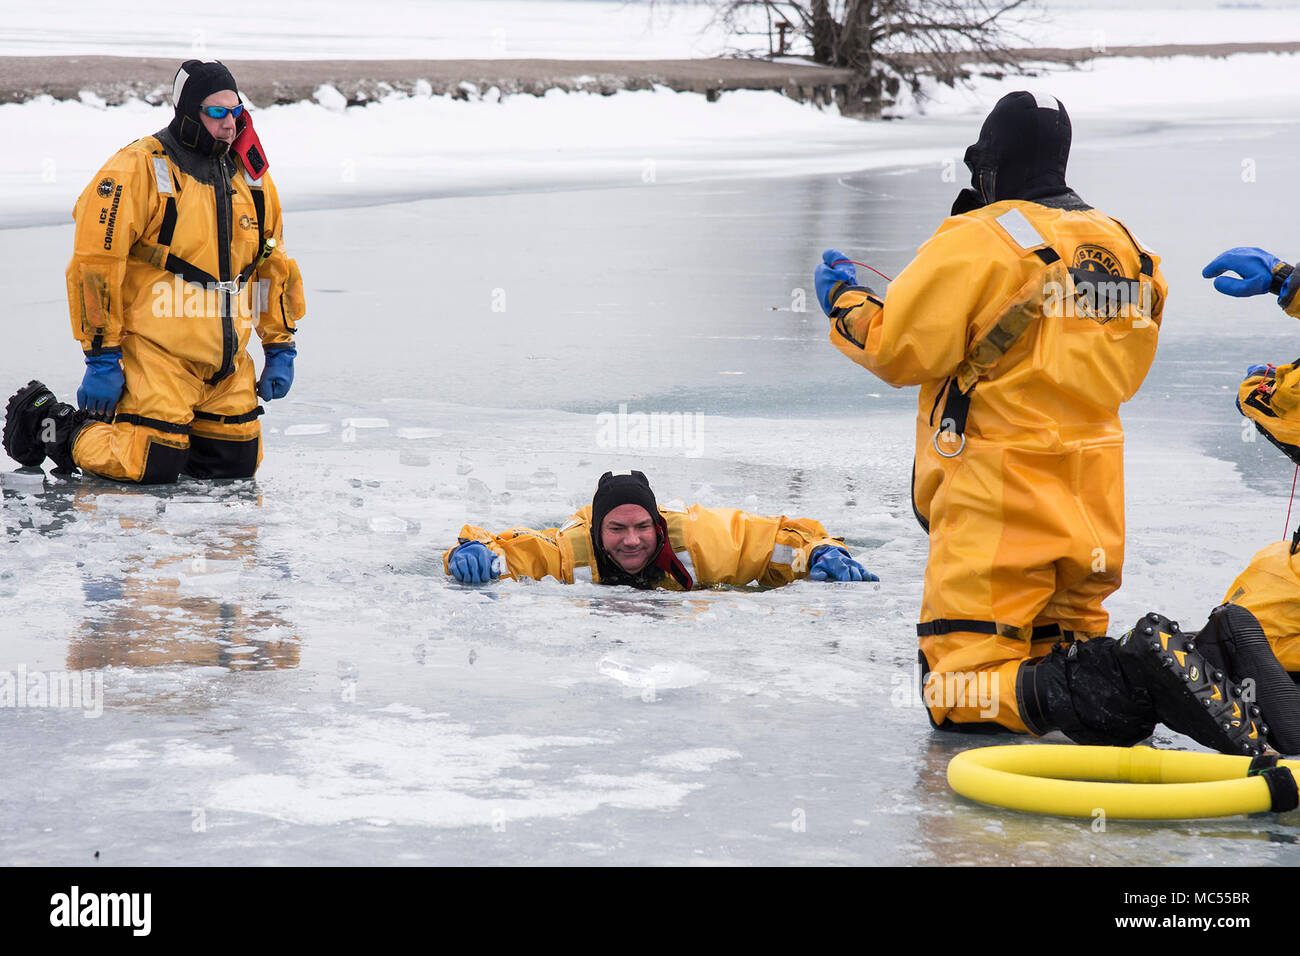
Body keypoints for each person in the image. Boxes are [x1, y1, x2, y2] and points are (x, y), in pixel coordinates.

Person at [815, 90, 1283, 756]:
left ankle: (1138, 676)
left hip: (999, 500)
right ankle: (1167, 669)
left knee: (961, 692)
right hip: (1092, 501)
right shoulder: (1128, 249)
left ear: (993, 163)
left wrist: (846, 302)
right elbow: (1122, 364)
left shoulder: (982, 239)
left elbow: (899, 349)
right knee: (1061, 668)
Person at [2, 60, 305, 482]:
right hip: (156, 353)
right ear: (187, 112)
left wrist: (280, 344)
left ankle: (173, 431)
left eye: (235, 110)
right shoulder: (136, 167)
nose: (229, 123)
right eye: (216, 112)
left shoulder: (251, 178)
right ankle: (49, 423)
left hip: (226, 362)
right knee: (149, 462)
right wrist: (102, 355)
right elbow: (95, 265)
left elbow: (273, 264)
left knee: (234, 466)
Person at [444, 470, 878, 588]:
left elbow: (774, 542)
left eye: (641, 527)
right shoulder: (566, 553)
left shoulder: (701, 537)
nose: (631, 540)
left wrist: (821, 553)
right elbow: (504, 551)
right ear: (597, 531)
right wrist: (467, 553)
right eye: (616, 529)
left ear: (658, 525)